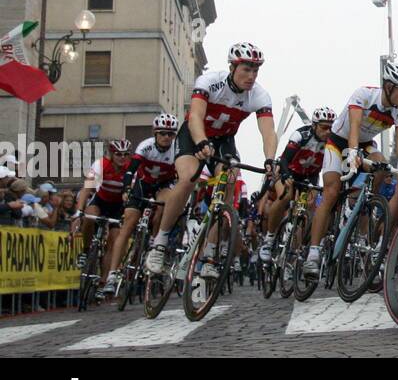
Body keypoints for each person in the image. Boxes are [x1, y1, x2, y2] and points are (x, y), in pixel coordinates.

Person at [145, 43, 275, 277]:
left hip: (224, 140)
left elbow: (268, 132)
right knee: (187, 179)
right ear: (232, 67)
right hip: (194, 135)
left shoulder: (259, 95)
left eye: (256, 70)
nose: (252, 76)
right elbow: (195, 115)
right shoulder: (210, 81)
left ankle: (210, 254)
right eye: (246, 69)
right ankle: (160, 243)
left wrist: (269, 160)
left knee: (228, 181)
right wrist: (202, 141)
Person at [303, 60, 398, 279]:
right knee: (332, 191)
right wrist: (352, 152)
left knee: (381, 164)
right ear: (390, 87)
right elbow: (353, 126)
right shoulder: (364, 95)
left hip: (366, 144)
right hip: (339, 141)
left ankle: (361, 202)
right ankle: (313, 254)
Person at [102, 114, 179, 292]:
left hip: (163, 185)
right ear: (155, 133)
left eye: (170, 134)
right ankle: (112, 274)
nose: (166, 137)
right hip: (143, 184)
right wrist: (126, 190)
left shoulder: (176, 149)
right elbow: (130, 171)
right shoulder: (146, 146)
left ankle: (154, 241)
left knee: (164, 205)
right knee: (128, 225)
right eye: (162, 133)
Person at [258, 106, 332, 263]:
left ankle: (296, 249)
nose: (328, 132)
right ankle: (269, 240)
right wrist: (285, 174)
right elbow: (285, 158)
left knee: (311, 207)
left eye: (331, 128)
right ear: (314, 125)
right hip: (288, 170)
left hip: (310, 176)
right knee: (286, 196)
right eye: (324, 127)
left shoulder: (331, 142)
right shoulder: (301, 135)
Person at [75, 140, 132, 272]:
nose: (122, 158)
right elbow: (87, 187)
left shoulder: (130, 168)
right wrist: (79, 210)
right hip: (100, 201)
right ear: (111, 154)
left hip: (118, 207)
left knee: (114, 242)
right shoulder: (100, 164)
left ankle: (103, 282)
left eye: (126, 154)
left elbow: (132, 189)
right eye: (118, 154)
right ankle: (85, 250)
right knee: (89, 217)